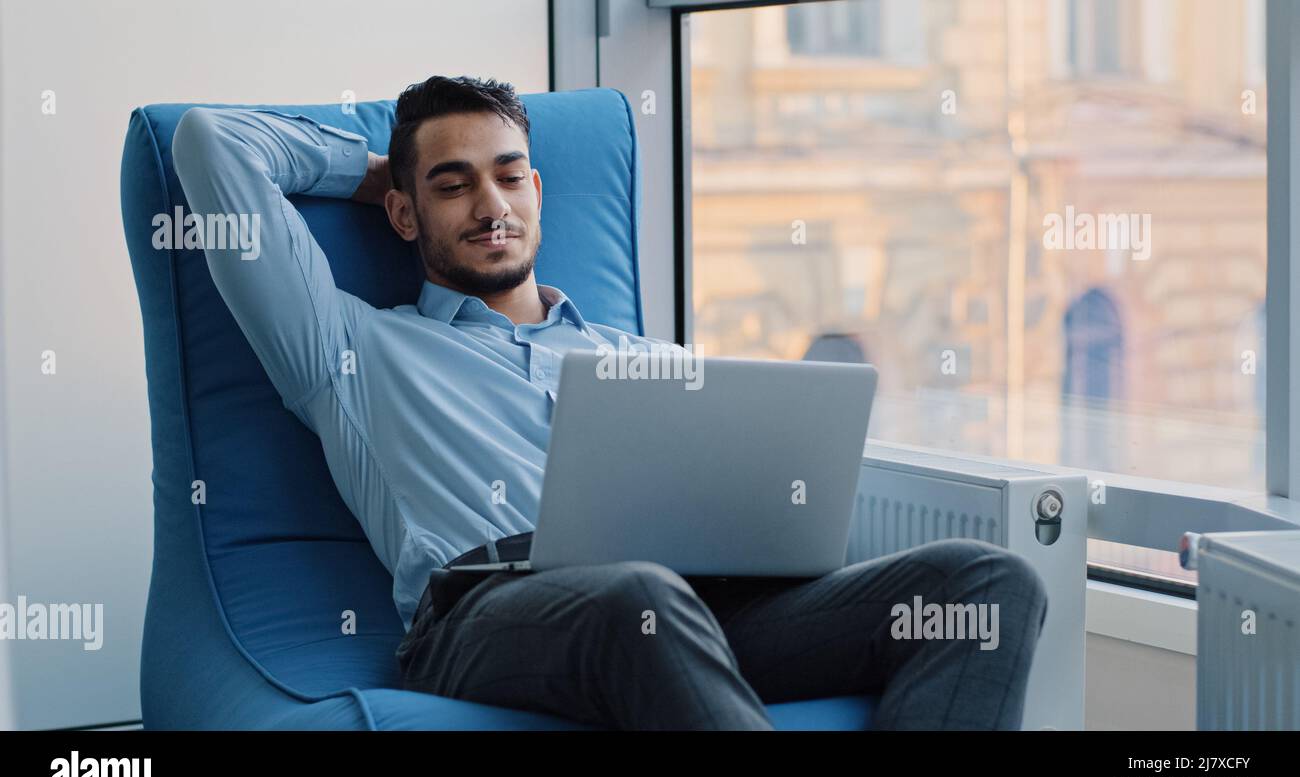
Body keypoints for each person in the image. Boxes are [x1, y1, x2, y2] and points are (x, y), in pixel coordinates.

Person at [170, 74, 1048, 730]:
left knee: (985, 582)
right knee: (637, 593)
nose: (490, 205)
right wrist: (375, 174)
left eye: (509, 176)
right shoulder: (349, 348)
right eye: (453, 184)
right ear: (404, 215)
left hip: (697, 608)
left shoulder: (648, 360)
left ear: (538, 192)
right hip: (490, 614)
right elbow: (212, 144)